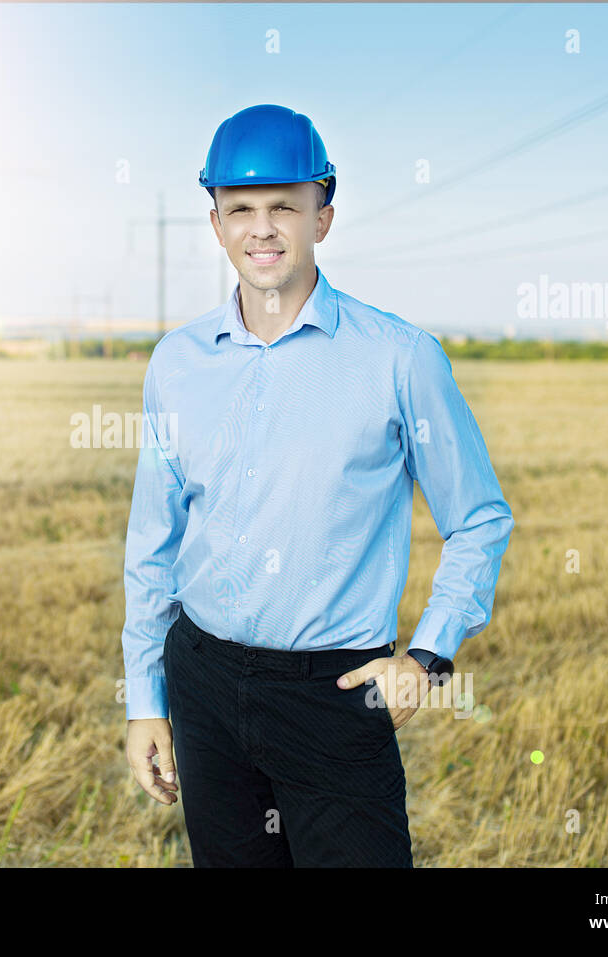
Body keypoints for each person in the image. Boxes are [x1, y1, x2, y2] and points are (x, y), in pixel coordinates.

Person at [120, 104, 515, 867]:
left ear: (322, 217)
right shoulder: (177, 362)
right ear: (216, 225)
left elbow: (478, 519)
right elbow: (153, 543)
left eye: (283, 207)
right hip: (201, 680)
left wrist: (428, 656)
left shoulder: (401, 359)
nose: (261, 229)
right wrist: (147, 699)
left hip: (335, 696)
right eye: (240, 209)